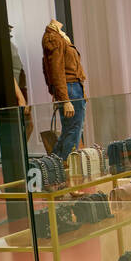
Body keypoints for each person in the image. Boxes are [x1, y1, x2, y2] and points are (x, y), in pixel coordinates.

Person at [41, 19, 87, 160]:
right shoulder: (53, 37)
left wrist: (57, 93)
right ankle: (63, 166)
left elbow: (50, 68)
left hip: (72, 88)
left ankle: (55, 166)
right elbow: (55, 70)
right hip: (70, 88)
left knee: (71, 129)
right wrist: (65, 99)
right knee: (73, 130)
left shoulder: (59, 36)